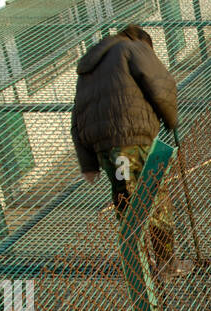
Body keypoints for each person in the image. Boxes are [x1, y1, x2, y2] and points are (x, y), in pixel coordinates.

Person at [71, 24, 192, 279]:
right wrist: (171, 119)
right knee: (154, 197)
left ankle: (139, 263)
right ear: (144, 42)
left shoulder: (89, 68)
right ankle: (167, 264)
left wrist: (89, 163)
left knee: (125, 200)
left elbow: (77, 116)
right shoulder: (133, 48)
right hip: (132, 139)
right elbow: (161, 84)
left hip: (105, 149)